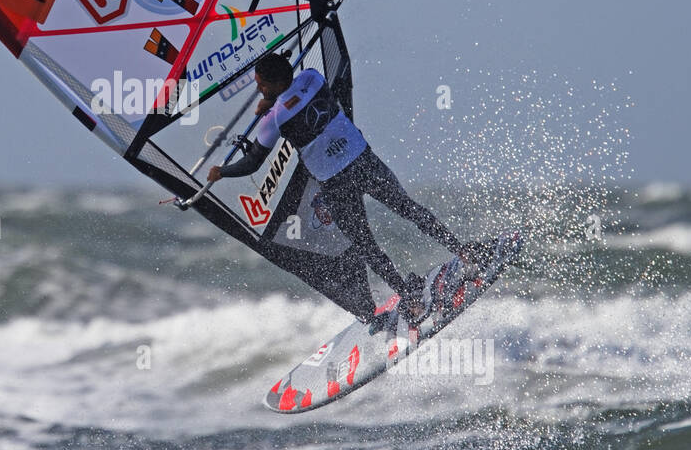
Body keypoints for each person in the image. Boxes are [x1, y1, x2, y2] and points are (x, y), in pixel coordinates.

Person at [207, 52, 486, 325]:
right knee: (409, 210)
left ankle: (410, 299)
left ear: (276, 84)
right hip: (362, 159)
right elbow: (296, 95)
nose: (258, 89)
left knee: (365, 245)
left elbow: (253, 163)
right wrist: (272, 99)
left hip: (334, 182)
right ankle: (464, 252)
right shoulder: (312, 77)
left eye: (261, 85)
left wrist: (222, 172)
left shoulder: (274, 119)